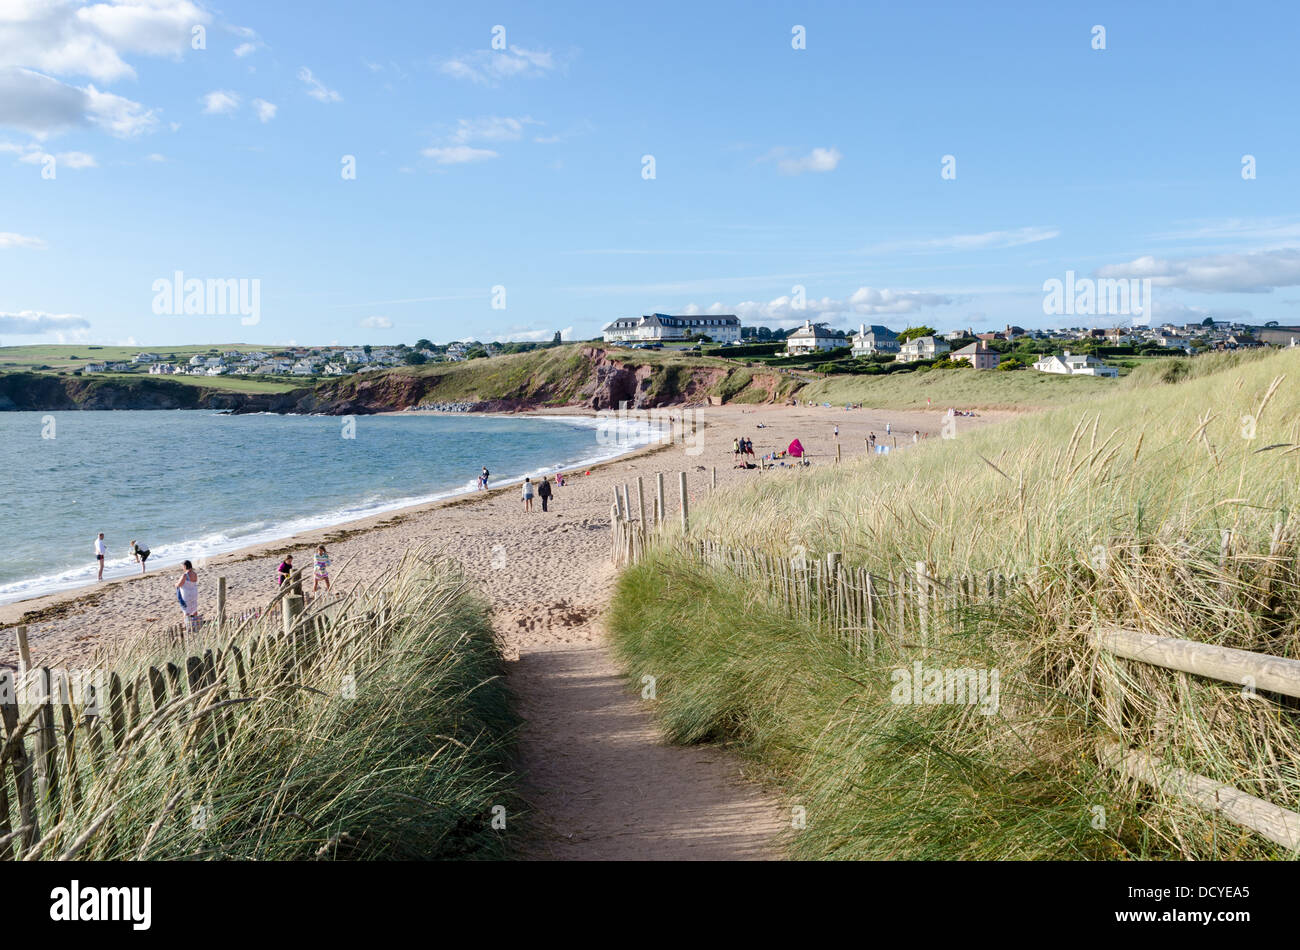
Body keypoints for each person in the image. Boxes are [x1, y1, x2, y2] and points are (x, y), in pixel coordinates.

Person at [176, 560, 199, 629]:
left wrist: (175, 584)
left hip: (186, 594)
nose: (182, 568)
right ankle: (195, 624)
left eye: (182, 567)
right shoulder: (195, 574)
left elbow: (179, 584)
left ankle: (188, 626)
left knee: (186, 610)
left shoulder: (185, 575)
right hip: (194, 593)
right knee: (194, 608)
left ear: (185, 566)